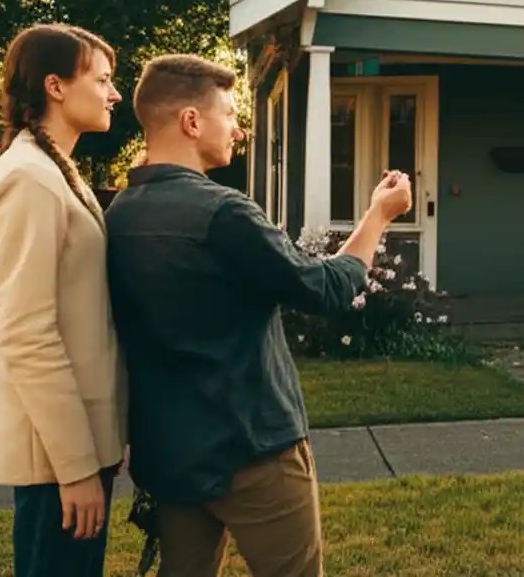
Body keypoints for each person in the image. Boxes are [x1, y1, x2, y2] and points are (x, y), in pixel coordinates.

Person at [105, 54, 412, 577]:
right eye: (228, 113)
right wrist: (377, 215)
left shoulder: (118, 214)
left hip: (169, 453)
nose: (240, 128)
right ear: (191, 121)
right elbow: (326, 289)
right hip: (253, 451)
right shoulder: (225, 213)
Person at [0, 24, 126, 576]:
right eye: (102, 79)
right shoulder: (30, 179)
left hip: (72, 451)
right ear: (55, 86)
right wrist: (77, 467)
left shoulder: (54, 170)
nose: (114, 93)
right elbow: (24, 332)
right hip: (56, 461)